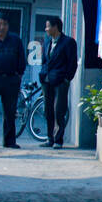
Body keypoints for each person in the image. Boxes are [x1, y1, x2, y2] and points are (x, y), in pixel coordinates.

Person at [0, 12, 26, 149]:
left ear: (8, 26)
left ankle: (9, 141)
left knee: (10, 112)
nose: (1, 27)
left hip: (10, 80)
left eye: (4, 24)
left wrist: (18, 76)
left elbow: (22, 60)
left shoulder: (16, 40)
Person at [39, 16, 78, 148]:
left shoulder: (68, 42)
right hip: (47, 80)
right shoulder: (47, 41)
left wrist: (67, 79)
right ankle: (49, 138)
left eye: (48, 26)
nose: (46, 29)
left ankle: (58, 139)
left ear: (55, 27)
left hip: (60, 81)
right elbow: (44, 60)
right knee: (48, 110)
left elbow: (72, 63)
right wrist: (43, 73)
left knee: (58, 110)